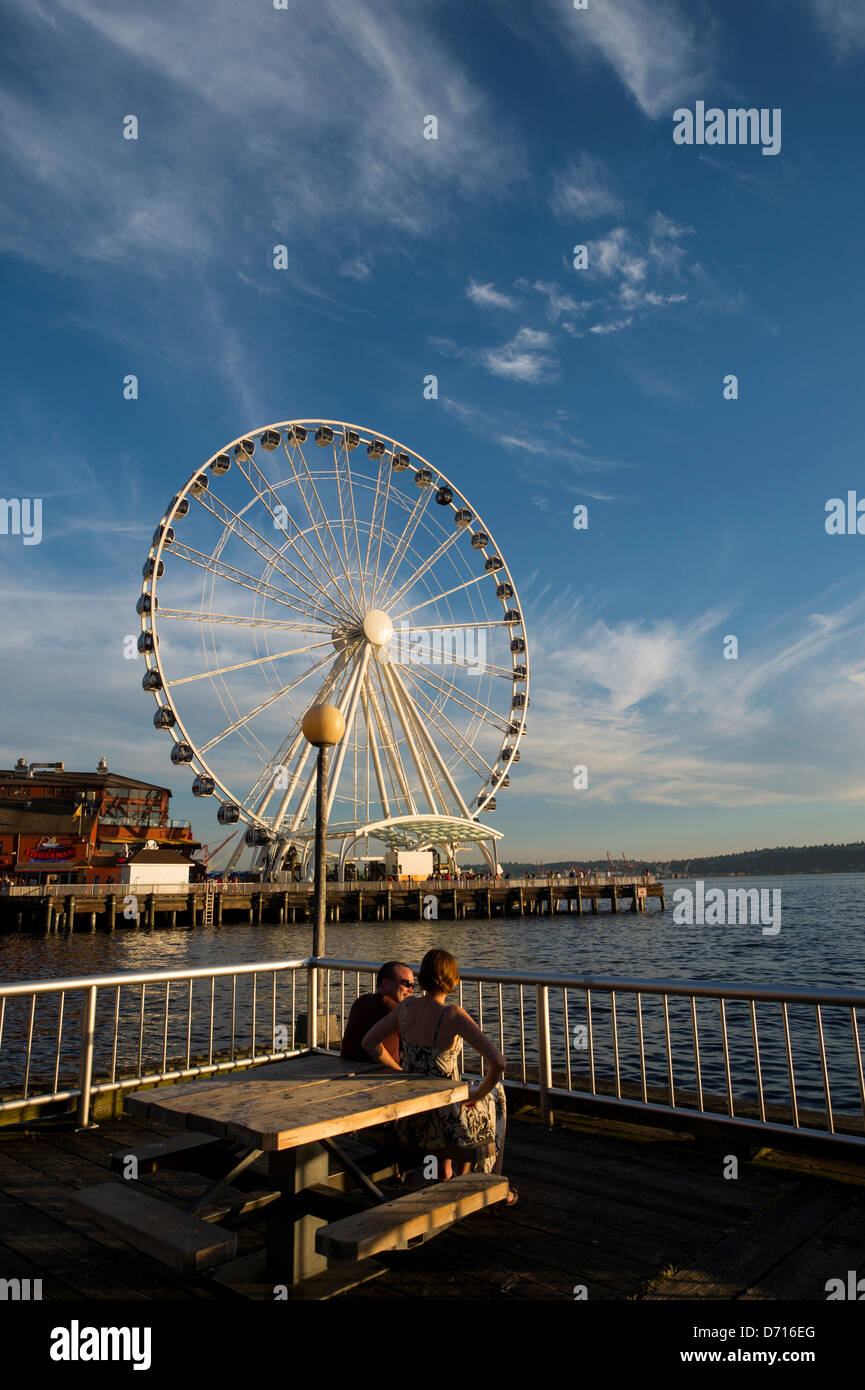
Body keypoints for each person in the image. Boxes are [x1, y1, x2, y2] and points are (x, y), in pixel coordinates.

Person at [362, 948, 517, 1205]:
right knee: (497, 1094)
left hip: (410, 1122)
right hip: (446, 1125)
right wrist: (478, 1094)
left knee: (455, 1099)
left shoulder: (406, 1008)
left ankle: (448, 1174)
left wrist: (399, 1071)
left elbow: (369, 1042)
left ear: (422, 978)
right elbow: (499, 1063)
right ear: (453, 980)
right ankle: (493, 1184)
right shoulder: (453, 1015)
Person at [340, 960, 414, 1064]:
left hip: (348, 1066)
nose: (411, 990)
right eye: (406, 983)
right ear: (386, 983)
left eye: (412, 986)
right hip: (378, 1073)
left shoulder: (361, 1001)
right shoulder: (392, 1008)